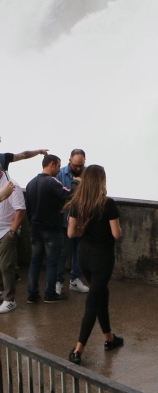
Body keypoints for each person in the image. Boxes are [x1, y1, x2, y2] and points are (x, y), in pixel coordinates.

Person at [67, 165, 123, 365]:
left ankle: (109, 338)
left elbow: (71, 234)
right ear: (101, 181)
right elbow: (116, 234)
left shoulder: (77, 203)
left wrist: (84, 227)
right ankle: (78, 349)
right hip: (102, 258)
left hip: (84, 255)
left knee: (101, 294)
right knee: (93, 301)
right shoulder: (108, 204)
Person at [25, 154, 77, 304]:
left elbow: (28, 209)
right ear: (52, 164)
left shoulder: (31, 183)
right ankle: (50, 294)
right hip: (51, 229)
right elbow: (68, 193)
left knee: (35, 261)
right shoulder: (51, 181)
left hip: (35, 228)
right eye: (59, 166)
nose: (59, 170)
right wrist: (75, 183)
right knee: (52, 261)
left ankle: (32, 294)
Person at [56, 149, 89, 295]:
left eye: (80, 166)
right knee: (62, 253)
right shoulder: (59, 174)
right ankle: (58, 281)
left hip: (82, 221)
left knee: (79, 252)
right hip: (64, 221)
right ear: (69, 161)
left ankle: (75, 279)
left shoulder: (88, 174)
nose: (78, 168)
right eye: (75, 165)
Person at [0, 161, 26, 313]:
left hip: (6, 231)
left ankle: (10, 300)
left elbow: (20, 210)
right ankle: (2, 290)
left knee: (5, 265)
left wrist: (12, 232)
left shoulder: (11, 186)